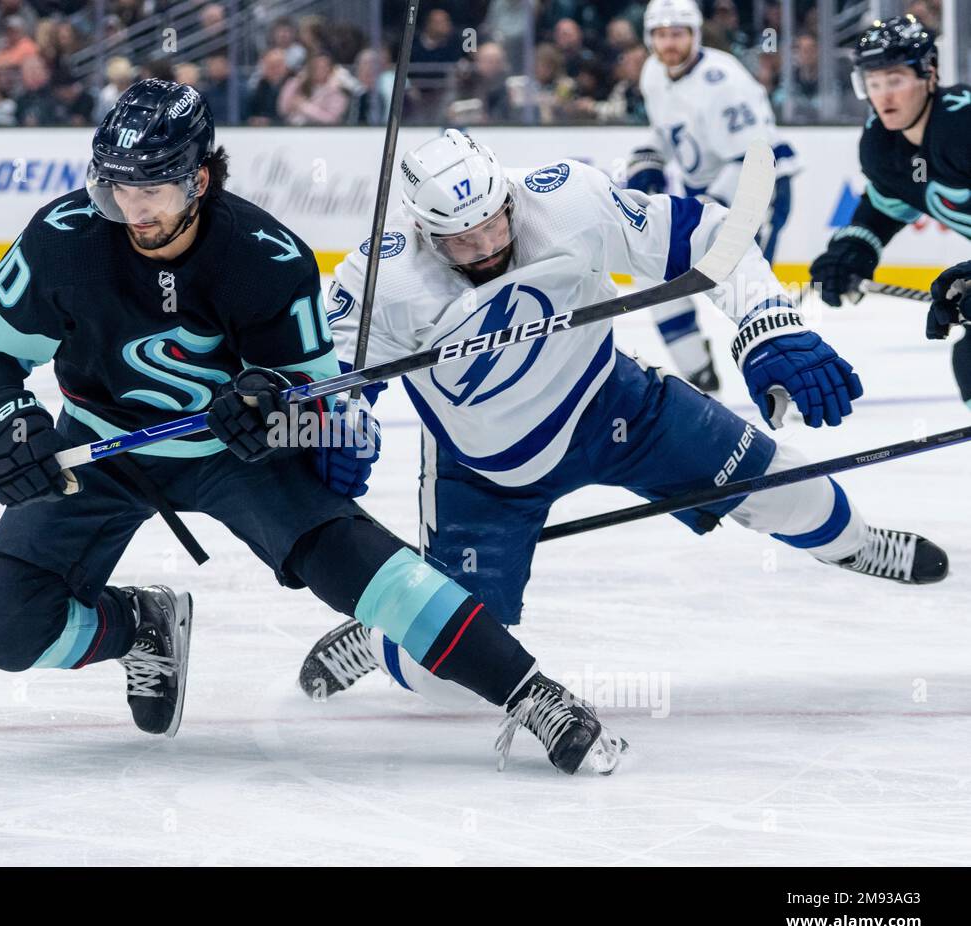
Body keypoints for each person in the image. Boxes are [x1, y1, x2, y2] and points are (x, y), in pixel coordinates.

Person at [0, 80, 625, 776]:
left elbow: (315, 401)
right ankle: (141, 626)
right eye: (117, 188)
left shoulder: (264, 257)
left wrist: (271, 408)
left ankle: (534, 695)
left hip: (230, 458)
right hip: (101, 442)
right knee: (5, 627)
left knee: (369, 571)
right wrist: (9, 425)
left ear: (199, 180)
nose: (133, 210)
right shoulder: (63, 240)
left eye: (153, 191)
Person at [297, 128, 947, 705]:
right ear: (423, 229)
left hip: (616, 405)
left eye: (496, 221)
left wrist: (766, 325)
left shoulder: (568, 201)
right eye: (463, 239)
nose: (490, 244)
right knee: (442, 663)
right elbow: (330, 377)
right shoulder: (382, 278)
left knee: (784, 487)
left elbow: (705, 234)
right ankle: (383, 637)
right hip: (483, 469)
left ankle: (859, 545)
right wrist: (338, 425)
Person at [627, 0, 797, 393]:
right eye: (660, 34)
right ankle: (699, 374)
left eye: (677, 34)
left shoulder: (724, 80)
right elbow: (667, 134)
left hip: (758, 189)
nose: (668, 43)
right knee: (655, 274)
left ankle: (788, 374)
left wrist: (704, 211)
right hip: (705, 193)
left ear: (695, 34)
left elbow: (753, 157)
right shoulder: (653, 72)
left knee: (749, 291)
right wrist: (647, 160)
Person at [808, 15, 971, 408]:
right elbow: (884, 207)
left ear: (929, 73)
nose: (884, 96)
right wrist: (853, 250)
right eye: (873, 83)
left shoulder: (961, 124)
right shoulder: (883, 145)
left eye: (895, 80)